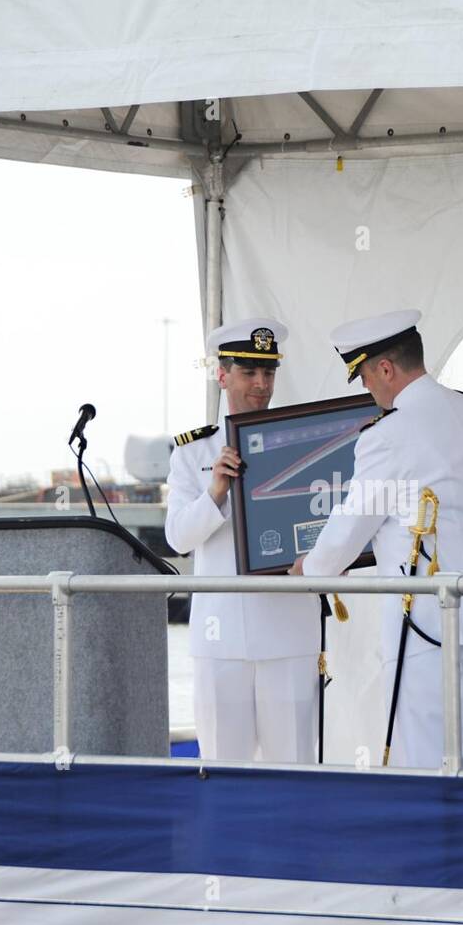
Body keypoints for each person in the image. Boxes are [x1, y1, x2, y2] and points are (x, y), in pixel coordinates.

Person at [289, 310, 463, 768]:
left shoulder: (389, 434)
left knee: (423, 750)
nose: (368, 391)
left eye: (366, 378)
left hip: (426, 617)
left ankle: (431, 838)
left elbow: (353, 521)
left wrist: (311, 568)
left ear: (386, 369)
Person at [165, 318, 320, 762]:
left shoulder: (298, 442)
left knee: (293, 770)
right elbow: (177, 538)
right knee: (222, 769)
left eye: (268, 373)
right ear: (222, 374)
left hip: (288, 630)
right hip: (222, 638)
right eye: (249, 372)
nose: (261, 384)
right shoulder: (192, 452)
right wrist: (215, 490)